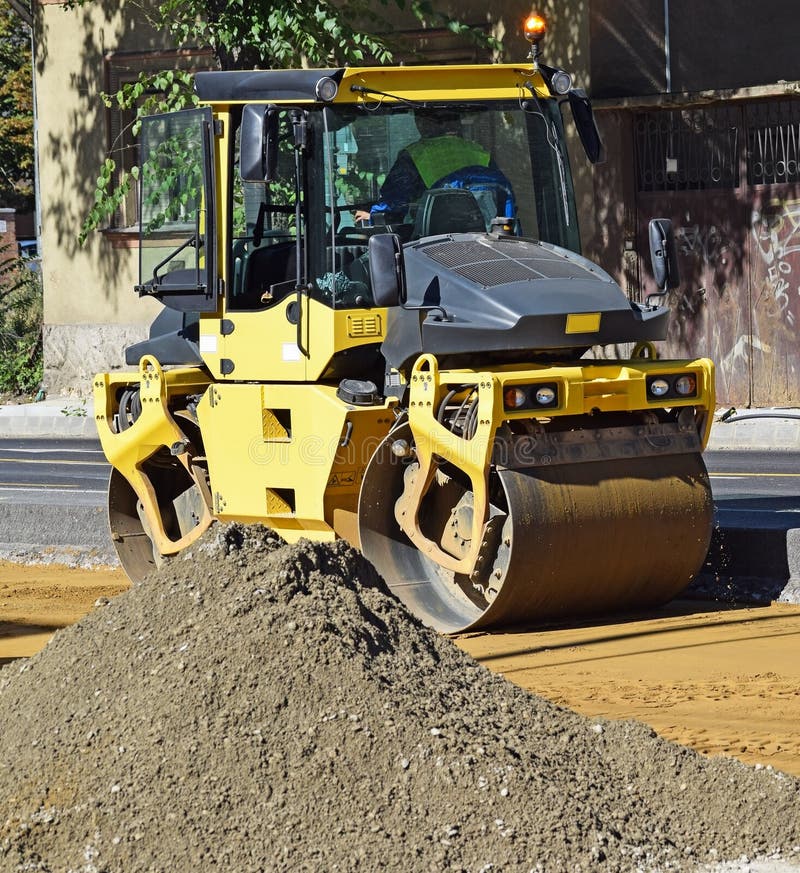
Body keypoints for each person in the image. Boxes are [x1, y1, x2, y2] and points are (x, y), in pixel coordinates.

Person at [355, 113, 514, 227]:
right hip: (484, 235)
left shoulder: (414, 155)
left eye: (419, 119)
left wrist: (373, 216)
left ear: (422, 123)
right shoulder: (480, 152)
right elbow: (501, 195)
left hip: (433, 243)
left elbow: (395, 201)